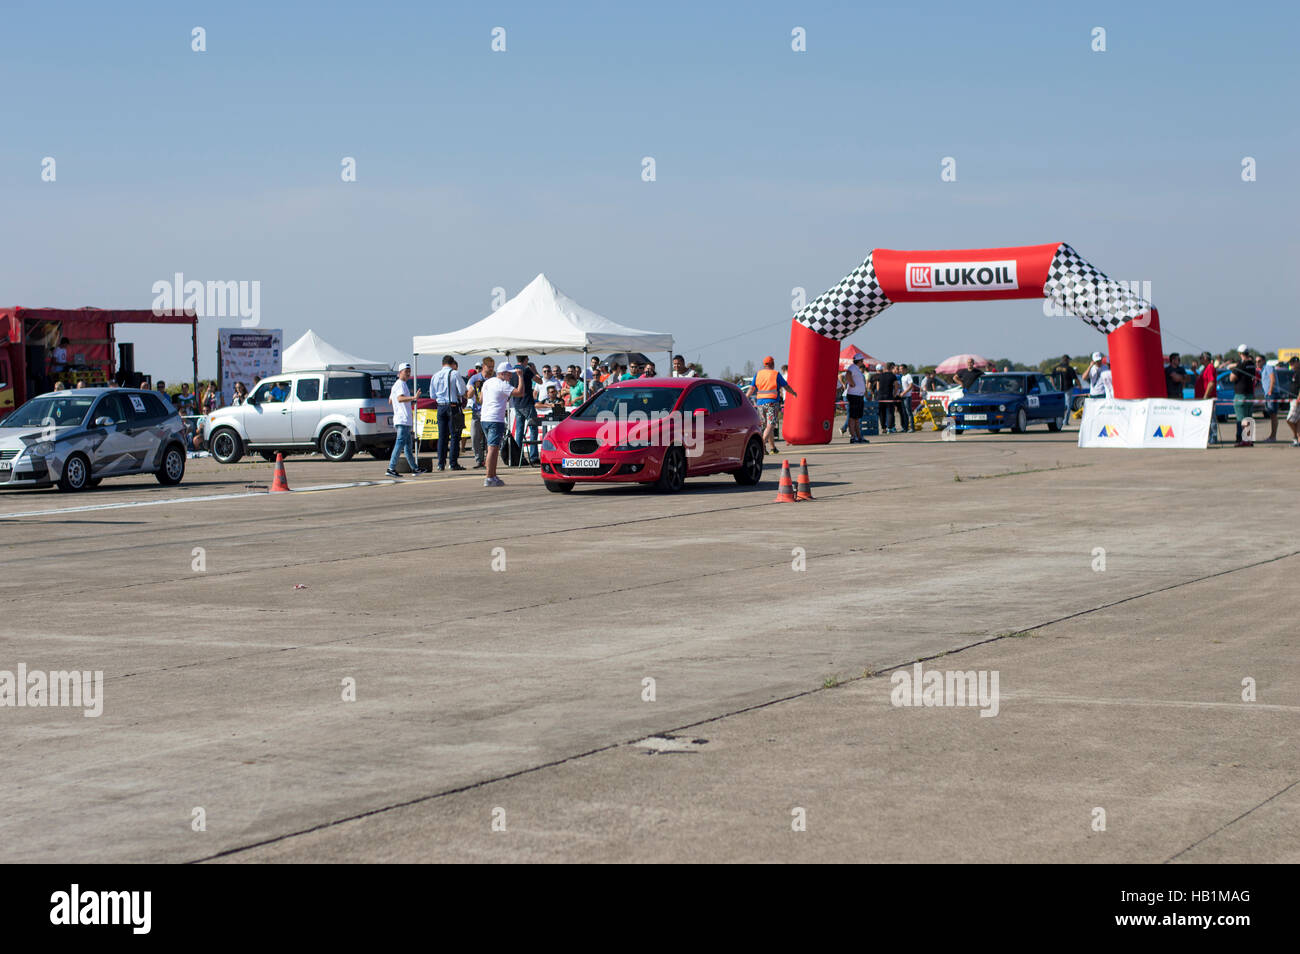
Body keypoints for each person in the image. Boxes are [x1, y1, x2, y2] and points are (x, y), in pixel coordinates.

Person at [481, 360, 525, 487]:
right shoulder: (501, 384)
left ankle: (492, 475)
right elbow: (520, 392)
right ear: (503, 373)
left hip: (485, 418)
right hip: (495, 419)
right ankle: (489, 477)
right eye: (509, 374)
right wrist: (521, 376)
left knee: (492, 448)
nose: (511, 376)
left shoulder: (488, 382)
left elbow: (482, 399)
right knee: (493, 448)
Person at [746, 356, 796, 454]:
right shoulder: (775, 374)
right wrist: (793, 393)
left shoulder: (758, 374)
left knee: (766, 426)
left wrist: (745, 398)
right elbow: (786, 386)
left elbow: (751, 389)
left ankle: (772, 448)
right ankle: (761, 444)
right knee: (771, 424)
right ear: (772, 364)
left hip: (760, 404)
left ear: (765, 364)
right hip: (771, 402)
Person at [386, 362, 425, 478]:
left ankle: (415, 468)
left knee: (408, 446)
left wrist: (408, 401)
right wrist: (413, 398)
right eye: (405, 371)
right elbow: (399, 398)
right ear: (400, 373)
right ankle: (391, 468)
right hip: (402, 419)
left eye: (409, 371)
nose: (408, 373)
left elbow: (391, 400)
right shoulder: (400, 384)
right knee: (399, 444)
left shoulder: (398, 385)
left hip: (404, 419)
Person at [430, 354, 467, 471]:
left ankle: (440, 464)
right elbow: (461, 391)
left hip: (440, 407)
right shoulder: (454, 373)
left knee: (442, 436)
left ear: (442, 364)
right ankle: (453, 463)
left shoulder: (435, 375)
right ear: (452, 364)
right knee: (455, 435)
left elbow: (432, 395)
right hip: (452, 406)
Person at [509, 354, 539, 465]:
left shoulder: (512, 371)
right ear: (525, 360)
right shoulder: (526, 370)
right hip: (527, 402)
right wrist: (534, 370)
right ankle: (534, 456)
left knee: (519, 431)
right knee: (533, 429)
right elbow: (539, 381)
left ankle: (518, 457)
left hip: (517, 403)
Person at [1227, 345, 1257, 445]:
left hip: (1240, 395)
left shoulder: (1241, 365)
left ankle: (1244, 440)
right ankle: (1250, 439)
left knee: (1241, 419)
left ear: (1240, 354)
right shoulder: (1252, 364)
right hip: (1250, 394)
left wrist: (1233, 368)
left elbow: (1232, 378)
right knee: (1249, 418)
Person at [840, 353, 868, 444]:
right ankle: (853, 437)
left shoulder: (856, 368)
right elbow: (847, 374)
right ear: (859, 361)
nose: (863, 362)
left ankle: (859, 437)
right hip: (854, 395)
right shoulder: (852, 367)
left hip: (858, 395)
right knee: (852, 417)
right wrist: (851, 383)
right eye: (862, 361)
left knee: (857, 418)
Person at [466, 362, 487, 468]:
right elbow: (468, 395)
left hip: (488, 412)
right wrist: (473, 388)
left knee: (488, 438)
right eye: (477, 368)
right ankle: (479, 460)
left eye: (480, 368)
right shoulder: (473, 379)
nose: (478, 369)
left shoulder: (491, 379)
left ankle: (488, 460)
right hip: (476, 412)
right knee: (474, 436)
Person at [1260, 356, 1281, 442]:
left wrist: (1270, 391)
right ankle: (1272, 436)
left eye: (1259, 361)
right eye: (1256, 361)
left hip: (1272, 394)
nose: (1257, 363)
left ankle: (1273, 436)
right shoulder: (1262, 369)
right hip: (1269, 394)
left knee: (1273, 415)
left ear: (1264, 361)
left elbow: (1272, 379)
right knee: (1272, 415)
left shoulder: (1268, 367)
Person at [1285, 356, 1300, 446]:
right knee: (1298, 421)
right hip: (1293, 399)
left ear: (1297, 362)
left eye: (1292, 363)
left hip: (1297, 400)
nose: (1291, 365)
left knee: (1289, 419)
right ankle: (1298, 439)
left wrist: (1299, 398)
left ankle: (1295, 436)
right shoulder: (1295, 372)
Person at [897, 363, 915, 432]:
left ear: (905, 369)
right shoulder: (902, 377)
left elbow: (911, 386)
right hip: (903, 397)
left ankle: (912, 428)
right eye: (900, 369)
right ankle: (905, 428)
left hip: (907, 397)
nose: (900, 370)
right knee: (904, 413)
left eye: (901, 369)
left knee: (909, 412)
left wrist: (904, 393)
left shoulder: (908, 376)